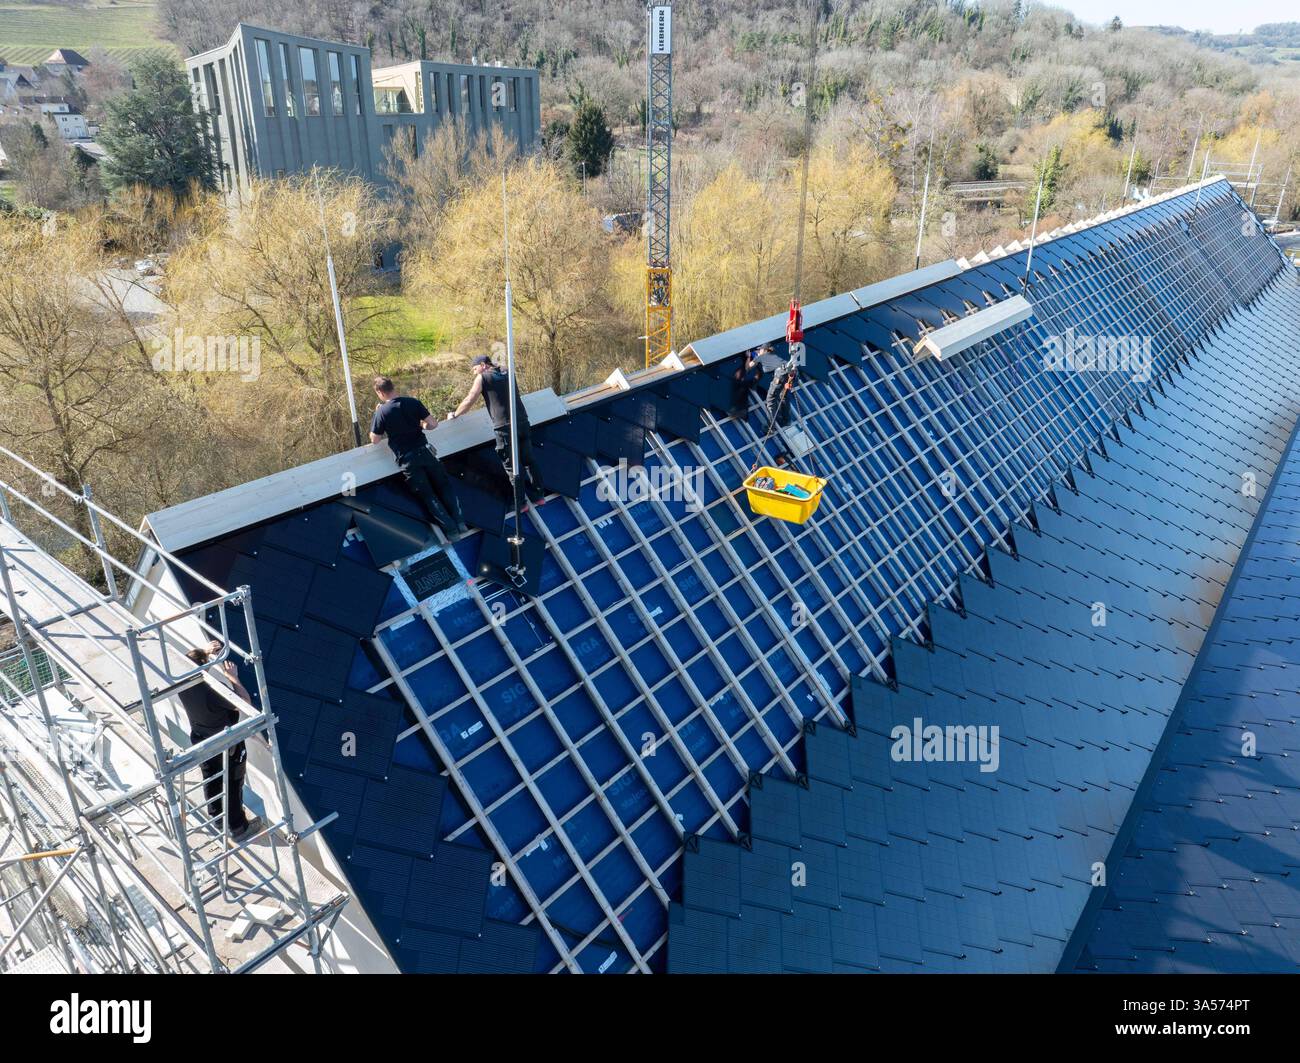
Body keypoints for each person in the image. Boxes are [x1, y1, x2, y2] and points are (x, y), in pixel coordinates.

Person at [177, 644, 262, 843]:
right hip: (226, 743)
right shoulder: (211, 690)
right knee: (233, 782)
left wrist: (204, 653)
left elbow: (193, 662)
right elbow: (245, 702)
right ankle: (238, 827)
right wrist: (233, 676)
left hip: (201, 740)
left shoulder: (181, 683)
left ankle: (216, 817)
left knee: (212, 779)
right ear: (204, 666)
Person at [370, 376, 467, 537]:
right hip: (425, 451)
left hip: (407, 459)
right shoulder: (412, 402)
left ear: (380, 392)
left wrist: (377, 415)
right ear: (392, 387)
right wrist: (421, 424)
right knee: (444, 486)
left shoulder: (381, 412)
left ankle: (451, 532)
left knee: (428, 495)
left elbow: (375, 439)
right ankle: (460, 522)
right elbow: (433, 424)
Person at [448, 354, 546, 506]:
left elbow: (470, 399)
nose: (474, 372)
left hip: (504, 427)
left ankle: (521, 503)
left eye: (475, 368)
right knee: (529, 461)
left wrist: (455, 414)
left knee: (511, 466)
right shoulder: (508, 371)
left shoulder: (483, 378)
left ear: (483, 364)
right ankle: (539, 496)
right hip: (522, 421)